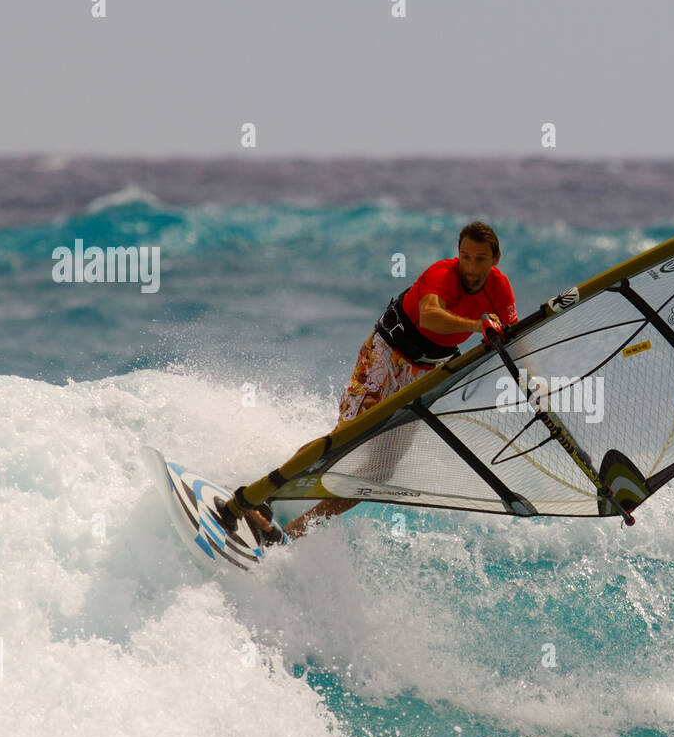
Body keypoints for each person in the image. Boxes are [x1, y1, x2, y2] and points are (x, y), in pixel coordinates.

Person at [215, 221, 518, 542]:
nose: (470, 267)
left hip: (427, 371)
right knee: (345, 439)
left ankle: (294, 532)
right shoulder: (442, 274)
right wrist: (477, 325)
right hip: (387, 352)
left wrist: (534, 382)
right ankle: (263, 498)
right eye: (465, 257)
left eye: (480, 259)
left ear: (495, 258)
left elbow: (514, 338)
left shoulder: (500, 288)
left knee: (379, 472)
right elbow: (429, 315)